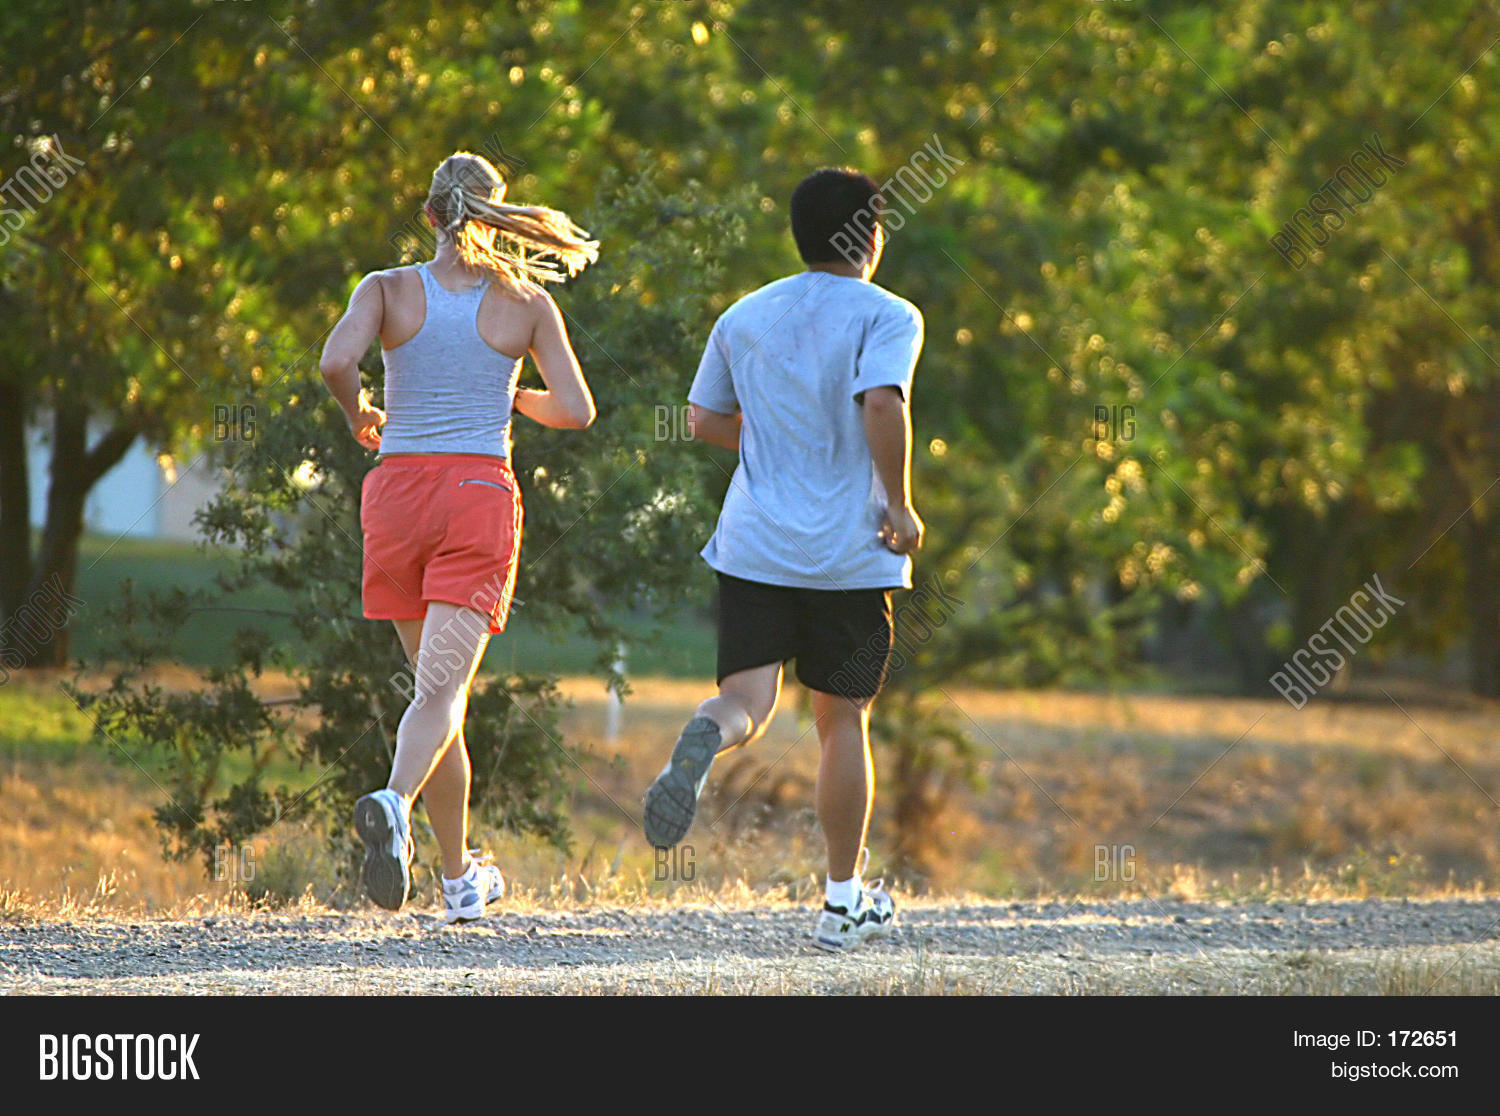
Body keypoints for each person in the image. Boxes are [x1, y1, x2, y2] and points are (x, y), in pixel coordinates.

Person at [643, 167, 925, 952]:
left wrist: (772, 437)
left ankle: (707, 736)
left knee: (746, 702)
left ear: (799, 235)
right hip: (849, 553)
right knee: (842, 722)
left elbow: (702, 419)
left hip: (756, 542)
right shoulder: (890, 315)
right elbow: (882, 403)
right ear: (870, 235)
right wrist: (899, 505)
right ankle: (842, 903)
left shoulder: (745, 314)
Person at [318, 150, 598, 923]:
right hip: (476, 493)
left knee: (437, 699)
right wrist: (512, 400)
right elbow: (576, 410)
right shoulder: (527, 300)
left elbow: (335, 361)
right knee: (441, 694)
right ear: (498, 216)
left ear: (432, 214)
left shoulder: (384, 289)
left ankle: (456, 879)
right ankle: (394, 801)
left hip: (398, 494)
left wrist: (359, 415)